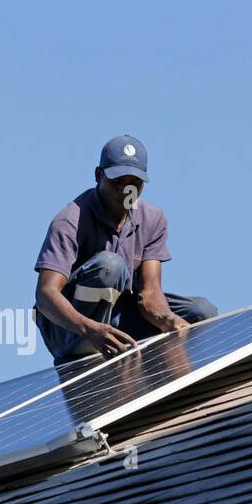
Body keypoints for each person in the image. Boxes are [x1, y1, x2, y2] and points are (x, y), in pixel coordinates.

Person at [34, 135, 218, 365]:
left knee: (200, 312)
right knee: (110, 266)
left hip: (119, 317)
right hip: (70, 329)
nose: (125, 190)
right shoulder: (70, 220)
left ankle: (153, 374)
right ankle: (85, 353)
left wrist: (167, 319)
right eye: (117, 181)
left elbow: (150, 292)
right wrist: (88, 328)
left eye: (134, 182)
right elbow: (45, 294)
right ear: (98, 175)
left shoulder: (152, 219)